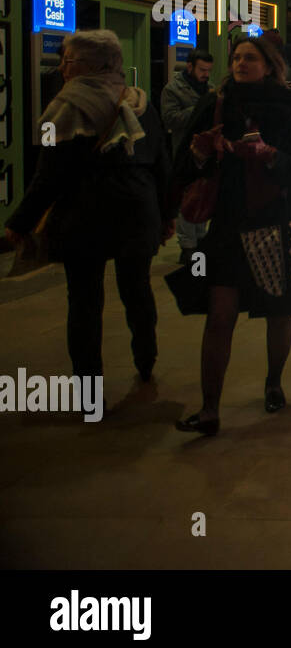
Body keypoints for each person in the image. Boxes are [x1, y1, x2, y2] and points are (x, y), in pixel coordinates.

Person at [167, 36, 291, 435]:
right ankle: (209, 408)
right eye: (236, 58)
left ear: (270, 64)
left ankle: (273, 382)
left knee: (278, 311)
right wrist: (199, 153)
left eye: (250, 58)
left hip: (278, 218)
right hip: (229, 222)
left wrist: (271, 155)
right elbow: (185, 163)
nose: (241, 64)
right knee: (220, 314)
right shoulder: (217, 103)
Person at [5, 30, 172, 386]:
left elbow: (48, 175)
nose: (62, 68)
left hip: (86, 214)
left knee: (83, 301)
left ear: (87, 65)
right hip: (138, 209)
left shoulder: (61, 109)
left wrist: (19, 222)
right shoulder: (141, 103)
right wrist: (166, 214)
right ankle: (146, 356)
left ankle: (88, 388)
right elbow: (161, 163)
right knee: (137, 288)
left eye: (67, 60)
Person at [160, 50, 214, 265]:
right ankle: (188, 246)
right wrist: (200, 109)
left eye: (208, 71)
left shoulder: (210, 89)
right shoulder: (173, 89)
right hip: (184, 151)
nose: (206, 74)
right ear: (189, 67)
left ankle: (200, 239)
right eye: (202, 70)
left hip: (207, 152)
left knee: (202, 194)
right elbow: (170, 119)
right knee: (186, 197)